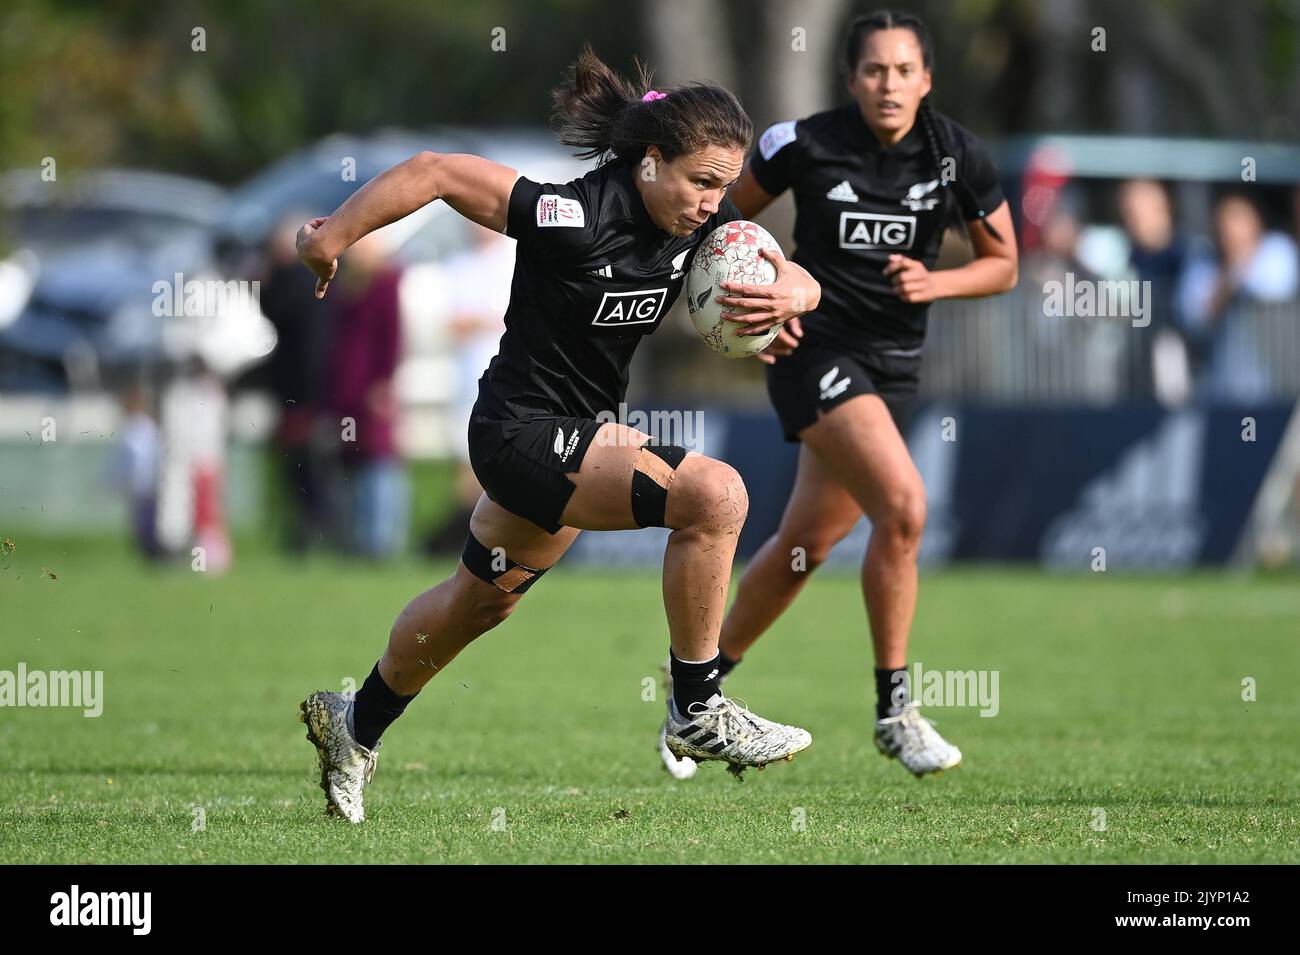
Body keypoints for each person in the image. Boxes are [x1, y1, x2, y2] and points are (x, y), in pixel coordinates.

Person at [295, 48, 822, 822]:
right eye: (702, 181)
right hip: (518, 433)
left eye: (723, 185)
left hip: (578, 441)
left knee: (476, 606)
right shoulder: (570, 217)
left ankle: (355, 722)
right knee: (716, 495)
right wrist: (332, 235)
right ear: (650, 162)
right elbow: (437, 169)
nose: (716, 203)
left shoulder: (704, 222)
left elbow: (798, 275)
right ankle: (697, 707)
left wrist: (782, 295)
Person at [658, 10, 1018, 781]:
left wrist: (938, 281)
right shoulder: (804, 144)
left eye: (903, 70)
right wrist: (755, 311)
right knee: (906, 509)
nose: (888, 85)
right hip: (812, 350)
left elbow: (1005, 264)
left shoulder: (957, 156)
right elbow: (717, 220)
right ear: (850, 79)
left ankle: (695, 695)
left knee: (803, 548)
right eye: (873, 71)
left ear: (927, 79)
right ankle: (896, 711)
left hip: (894, 368)